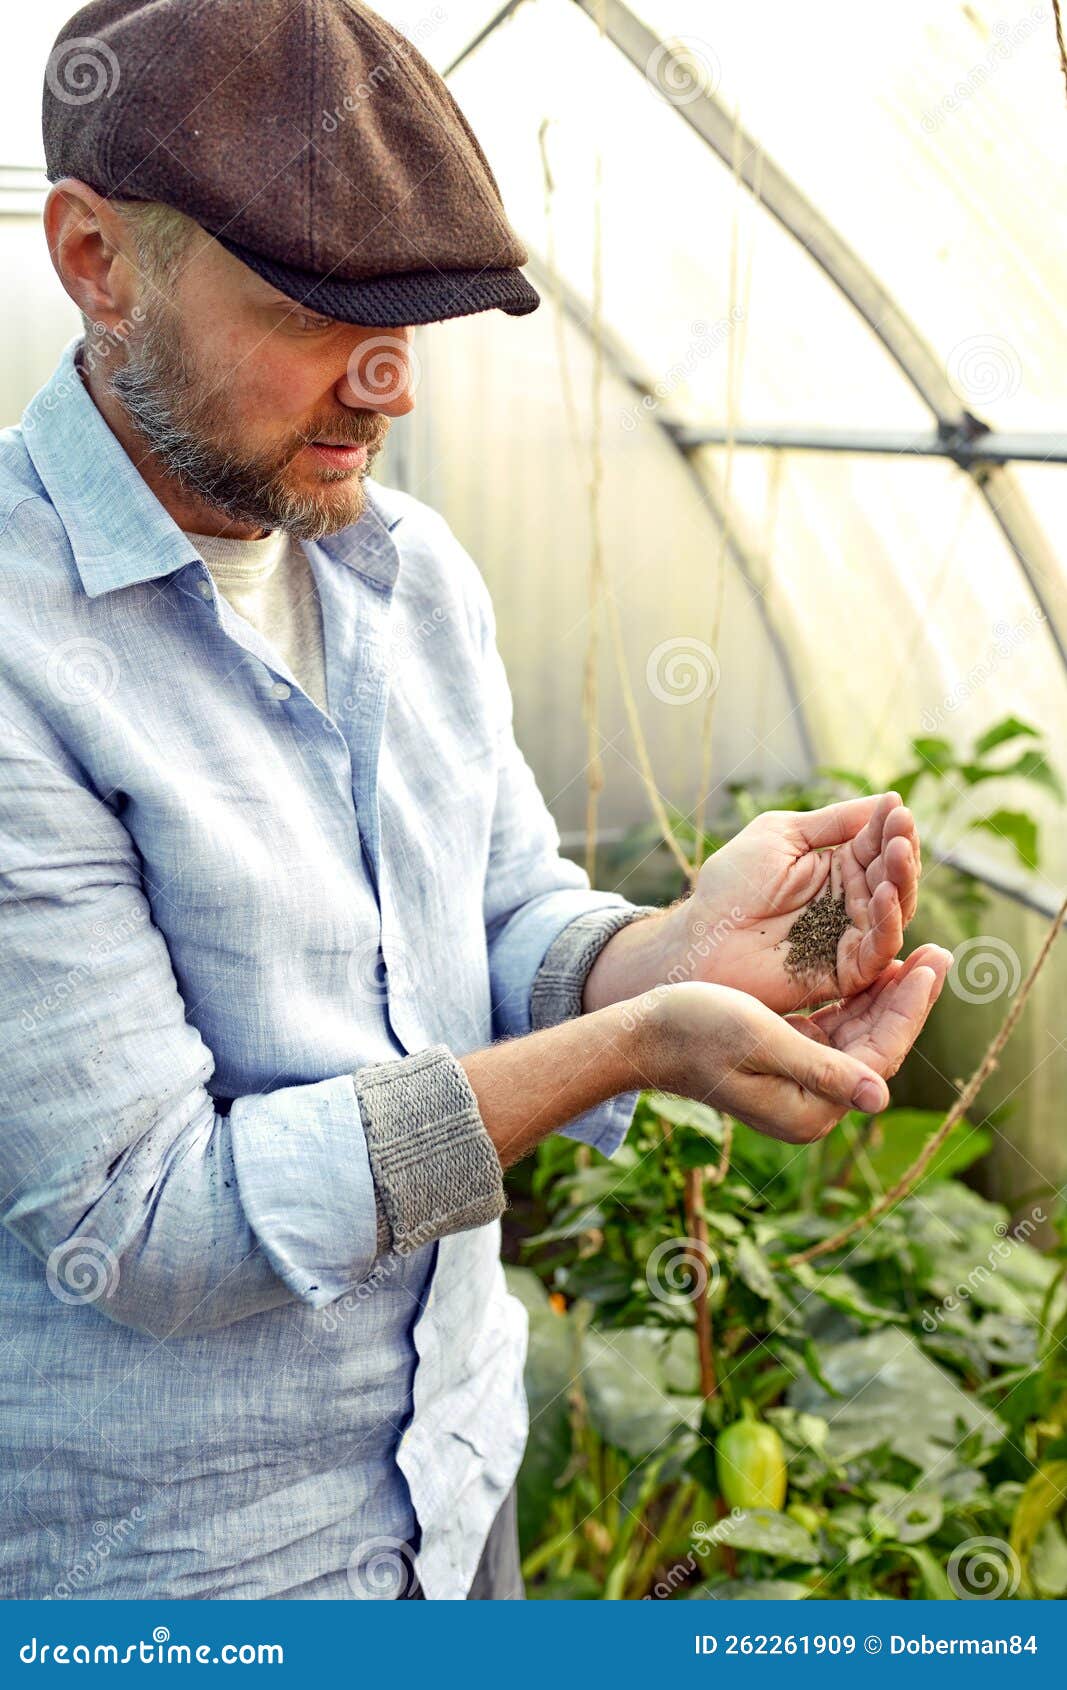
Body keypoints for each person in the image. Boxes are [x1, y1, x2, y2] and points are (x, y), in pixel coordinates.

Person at [0, 0, 951, 1600]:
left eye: (415, 320)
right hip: (186, 1567)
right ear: (97, 260)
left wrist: (668, 956)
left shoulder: (406, 575)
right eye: (318, 309)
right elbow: (148, 1221)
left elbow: (500, 911)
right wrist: (635, 1048)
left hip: (453, 1486)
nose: (390, 389)